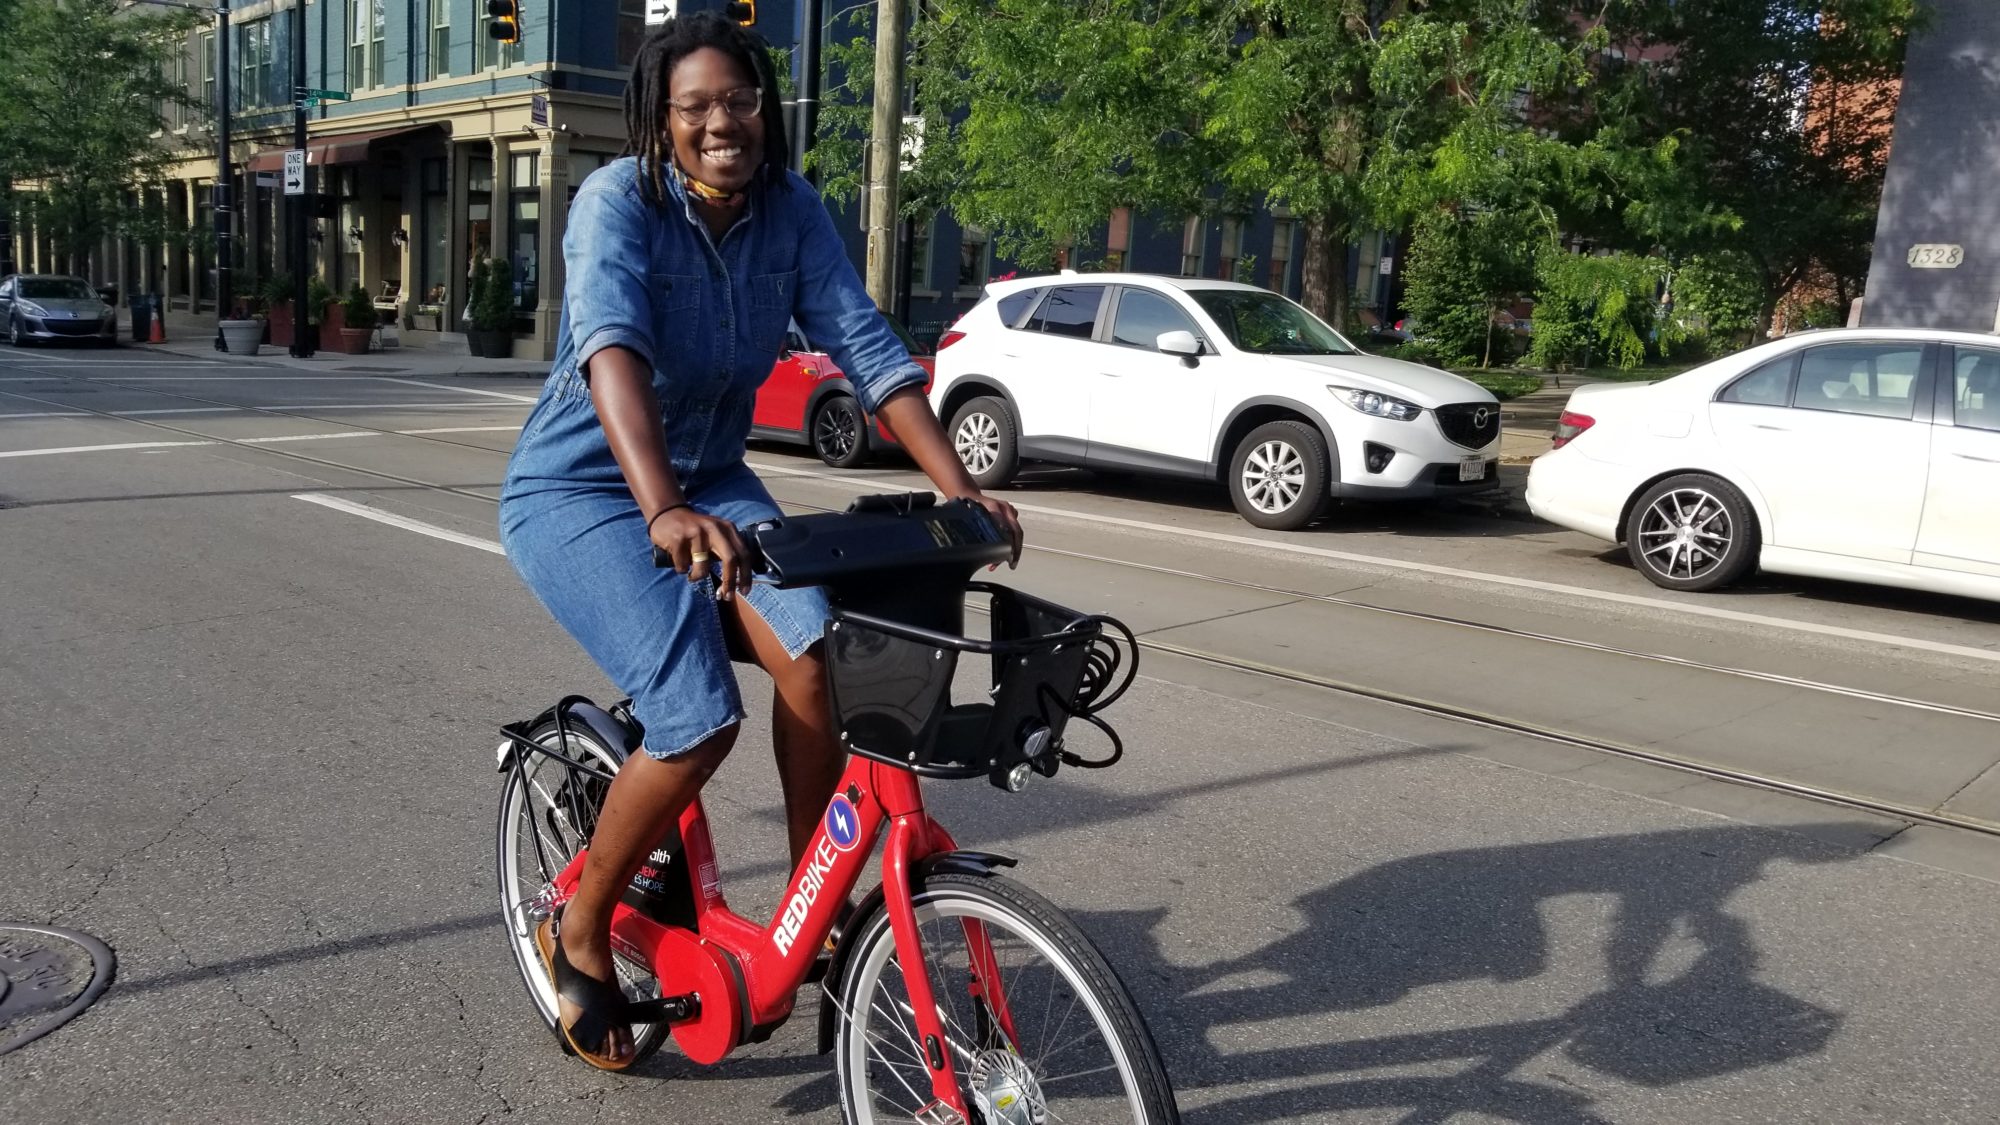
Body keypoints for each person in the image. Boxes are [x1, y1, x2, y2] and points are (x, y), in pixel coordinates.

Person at [497, 12, 1022, 1071]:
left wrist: (962, 491)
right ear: (660, 122)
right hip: (585, 486)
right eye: (693, 108)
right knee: (696, 719)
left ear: (763, 111)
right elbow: (610, 349)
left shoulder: (790, 210)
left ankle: (810, 904)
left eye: (736, 101)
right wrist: (661, 511)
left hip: (714, 484)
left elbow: (864, 345)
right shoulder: (616, 204)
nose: (719, 123)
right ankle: (583, 928)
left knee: (820, 655)